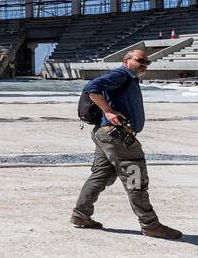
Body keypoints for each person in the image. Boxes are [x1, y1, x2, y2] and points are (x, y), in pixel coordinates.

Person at [71, 49, 183, 240]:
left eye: (147, 62)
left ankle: (81, 215)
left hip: (105, 135)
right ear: (126, 60)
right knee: (135, 178)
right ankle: (150, 224)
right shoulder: (121, 74)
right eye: (141, 60)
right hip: (118, 137)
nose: (145, 65)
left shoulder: (128, 78)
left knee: (100, 175)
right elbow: (92, 88)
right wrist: (107, 110)